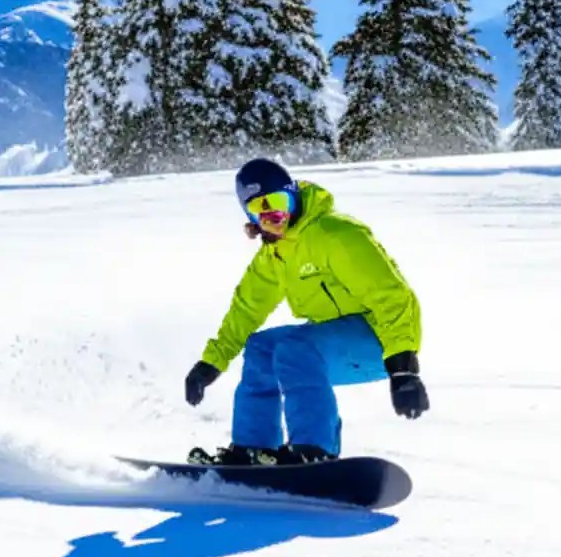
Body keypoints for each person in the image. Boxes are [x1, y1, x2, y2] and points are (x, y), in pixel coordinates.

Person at [184, 158, 429, 466]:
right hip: (329, 344)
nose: (273, 216)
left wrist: (404, 368)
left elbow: (392, 297)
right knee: (261, 347)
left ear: (294, 195)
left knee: (295, 348)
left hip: (383, 340)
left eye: (277, 203)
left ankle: (314, 449)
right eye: (260, 210)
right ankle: (253, 448)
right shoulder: (275, 255)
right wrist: (210, 363)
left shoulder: (335, 234)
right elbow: (245, 310)